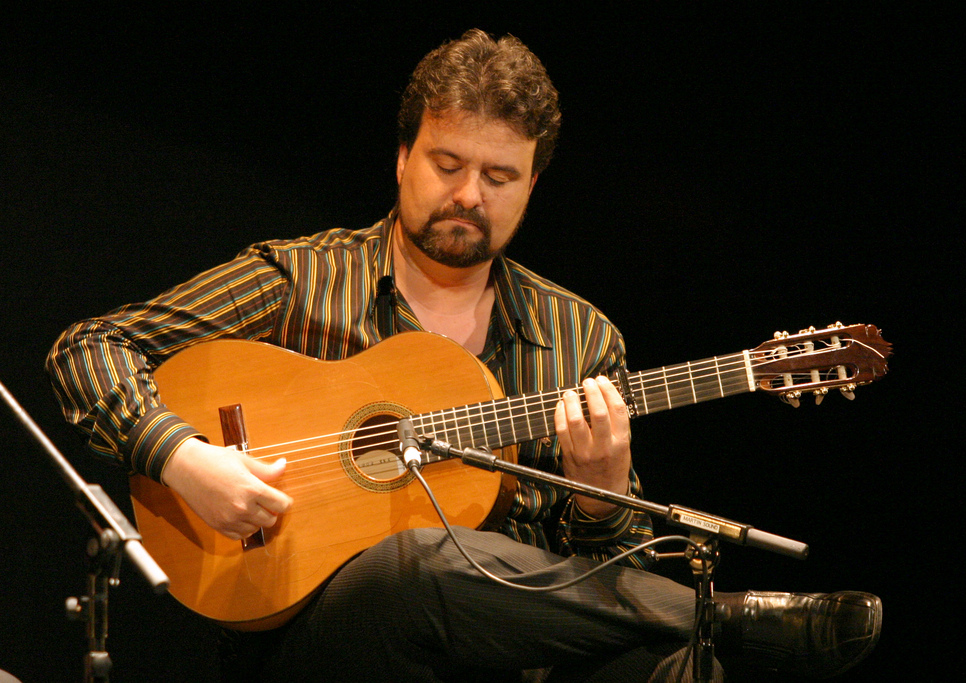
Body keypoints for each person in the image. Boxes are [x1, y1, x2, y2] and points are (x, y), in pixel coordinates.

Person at [46, 29, 881, 682]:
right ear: (403, 157)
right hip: (313, 643)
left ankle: (698, 631)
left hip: (508, 661)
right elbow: (88, 348)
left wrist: (597, 494)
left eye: (499, 177)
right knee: (416, 559)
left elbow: (585, 585)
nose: (469, 195)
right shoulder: (302, 278)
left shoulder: (580, 337)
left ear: (532, 186)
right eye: (447, 163)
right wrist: (183, 457)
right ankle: (716, 612)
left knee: (666, 665)